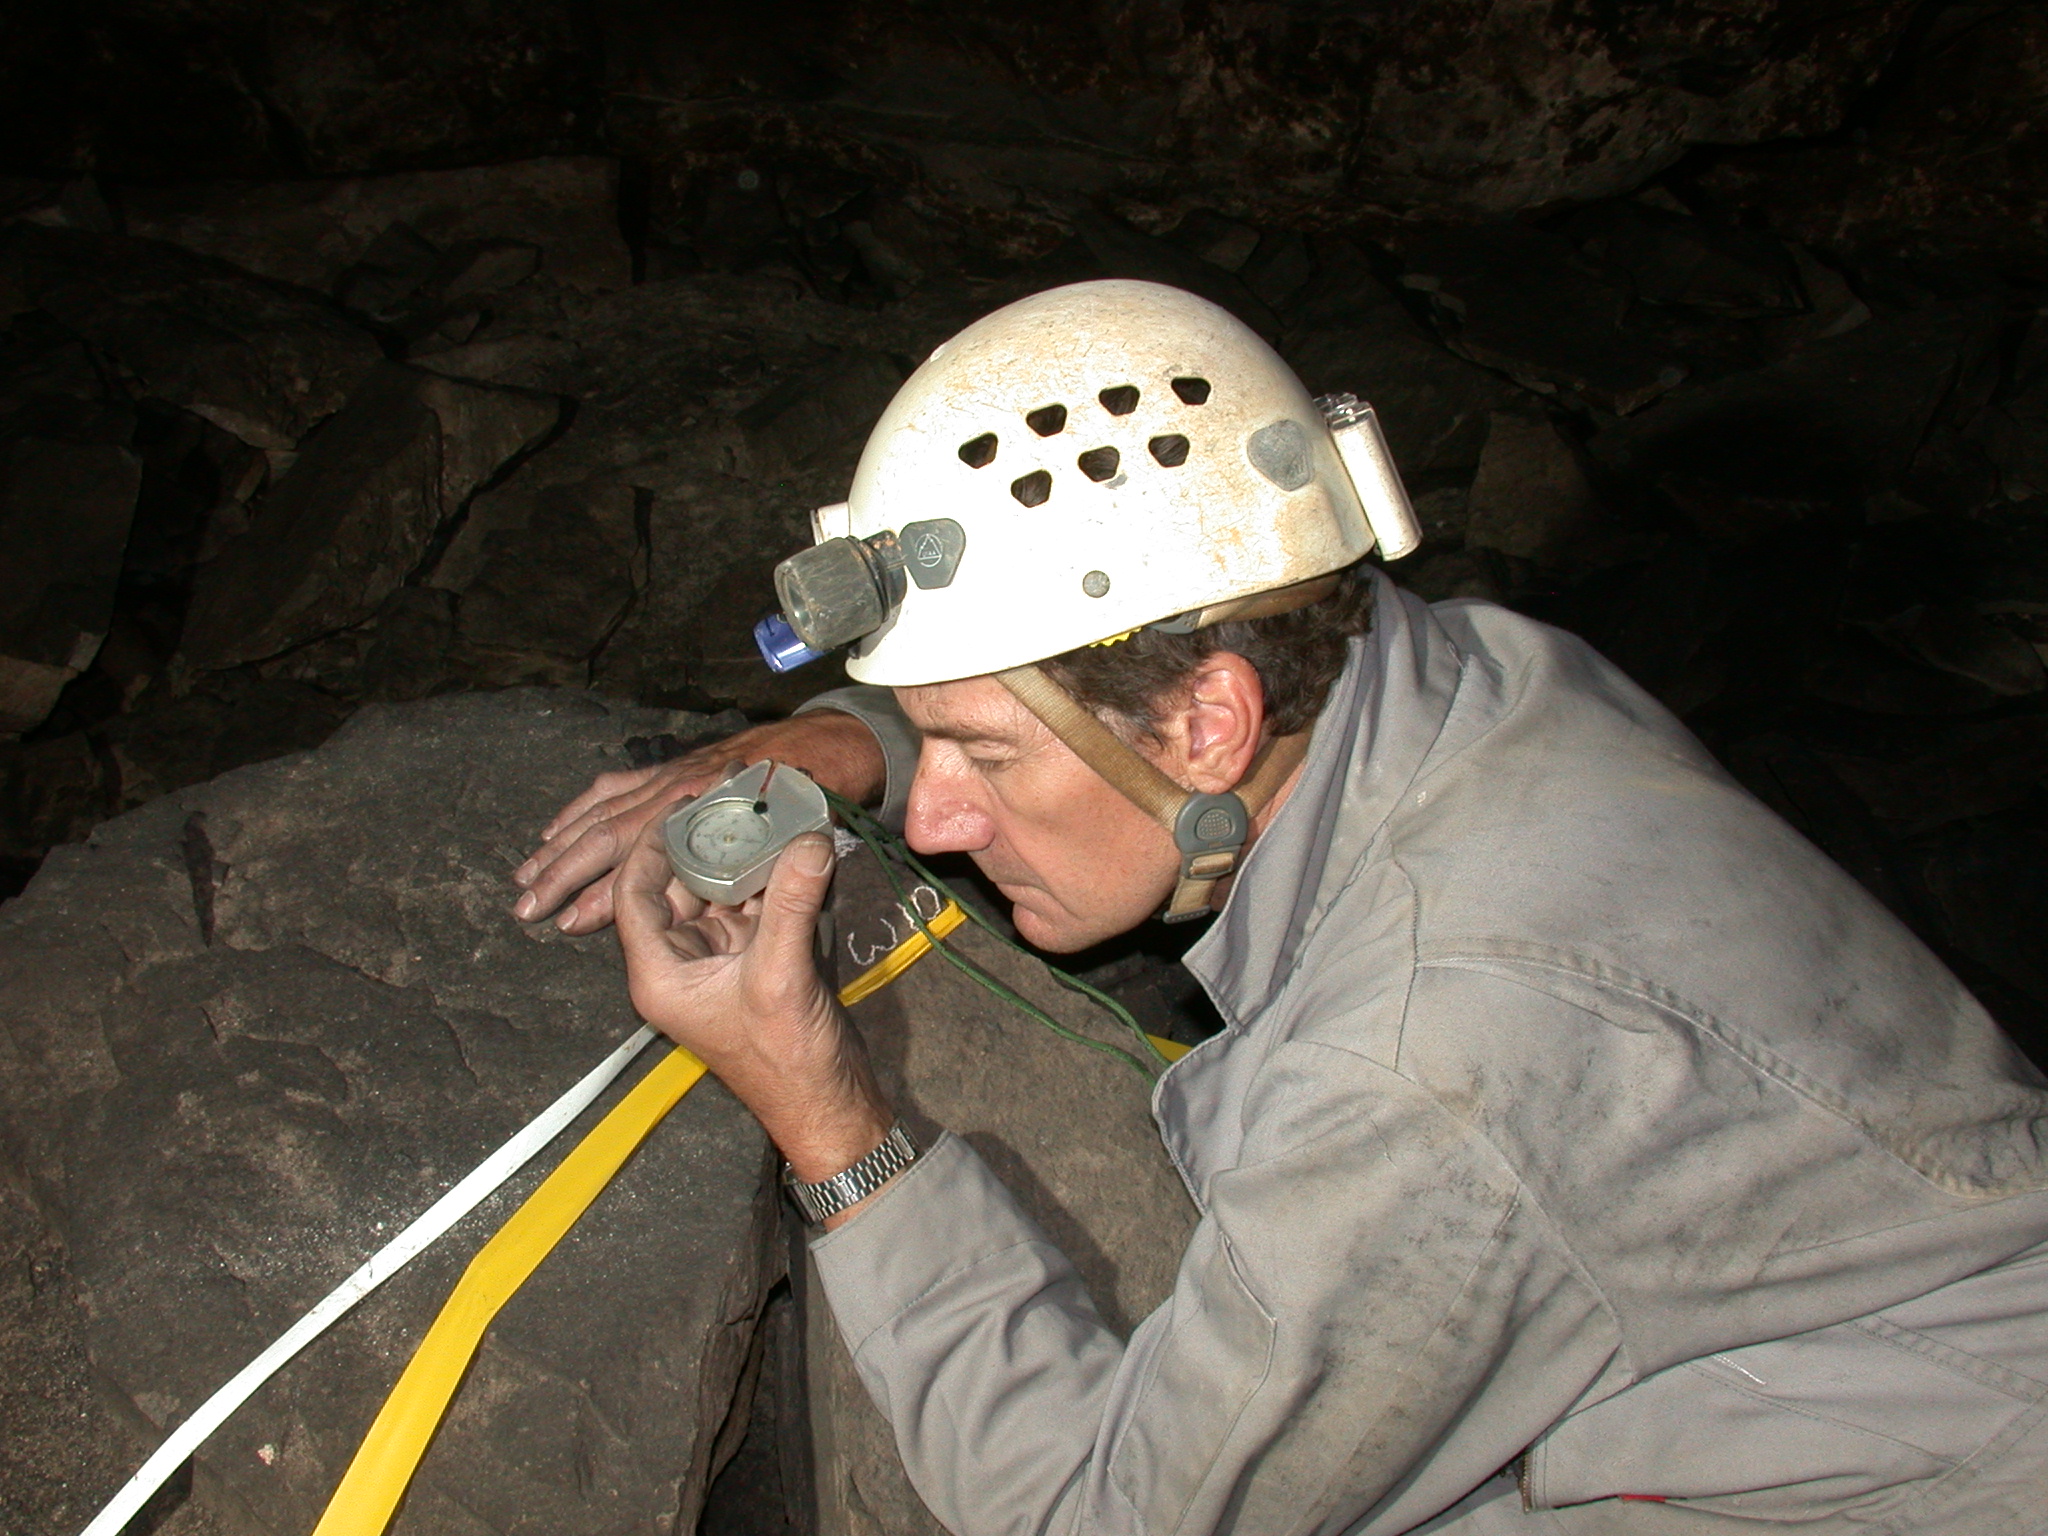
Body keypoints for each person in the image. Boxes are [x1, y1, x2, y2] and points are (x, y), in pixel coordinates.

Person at [514, 281, 2048, 1533]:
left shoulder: (1423, 1067)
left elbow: (1106, 1523)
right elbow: (1112, 694)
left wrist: (829, 1120)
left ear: (1209, 725)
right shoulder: (1470, 674)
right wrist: (859, 737)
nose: (931, 824)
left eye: (981, 755)